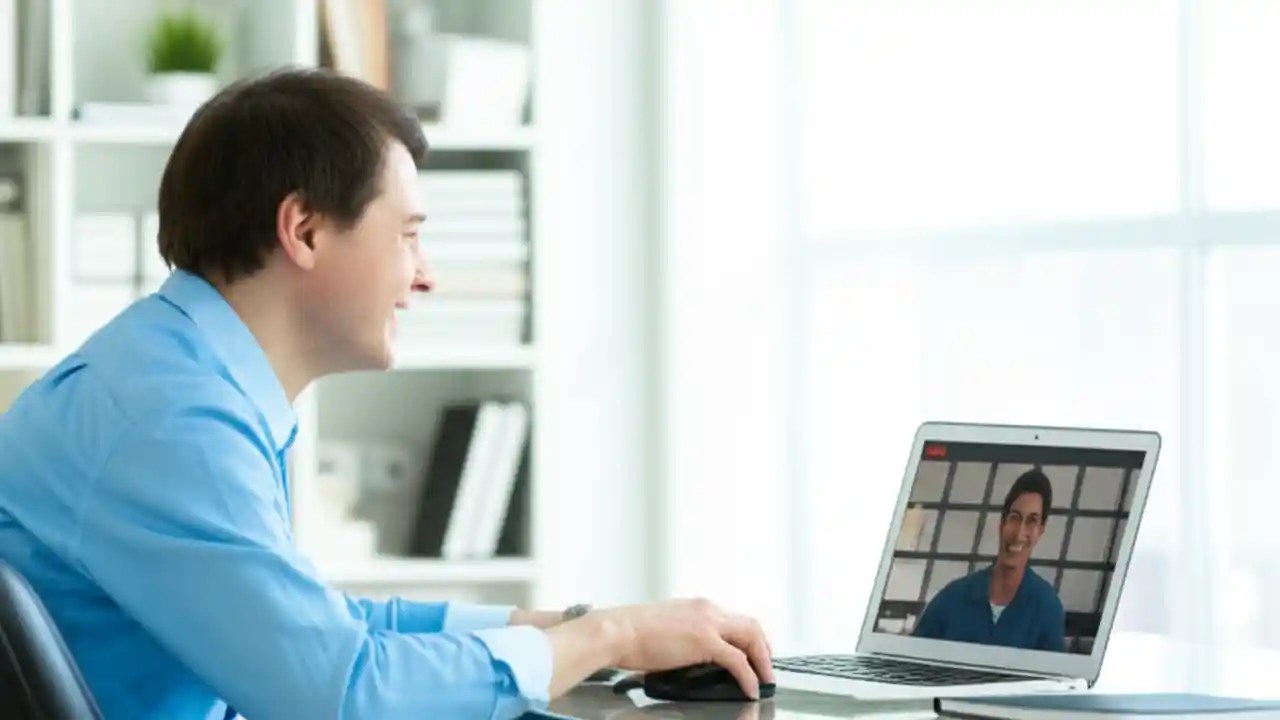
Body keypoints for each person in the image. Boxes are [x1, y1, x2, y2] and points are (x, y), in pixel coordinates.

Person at [0, 69, 773, 719]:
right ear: (303, 230)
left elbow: (324, 632)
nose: (426, 273)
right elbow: (340, 692)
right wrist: (612, 642)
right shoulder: (172, 422)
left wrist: (570, 628)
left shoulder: (171, 378)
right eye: (406, 234)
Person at [912, 469, 1066, 652]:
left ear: (1040, 531)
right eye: (1014, 518)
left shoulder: (1047, 608)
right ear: (1002, 523)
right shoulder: (952, 598)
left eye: (1032, 521)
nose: (1019, 533)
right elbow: (910, 663)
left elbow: (1055, 680)